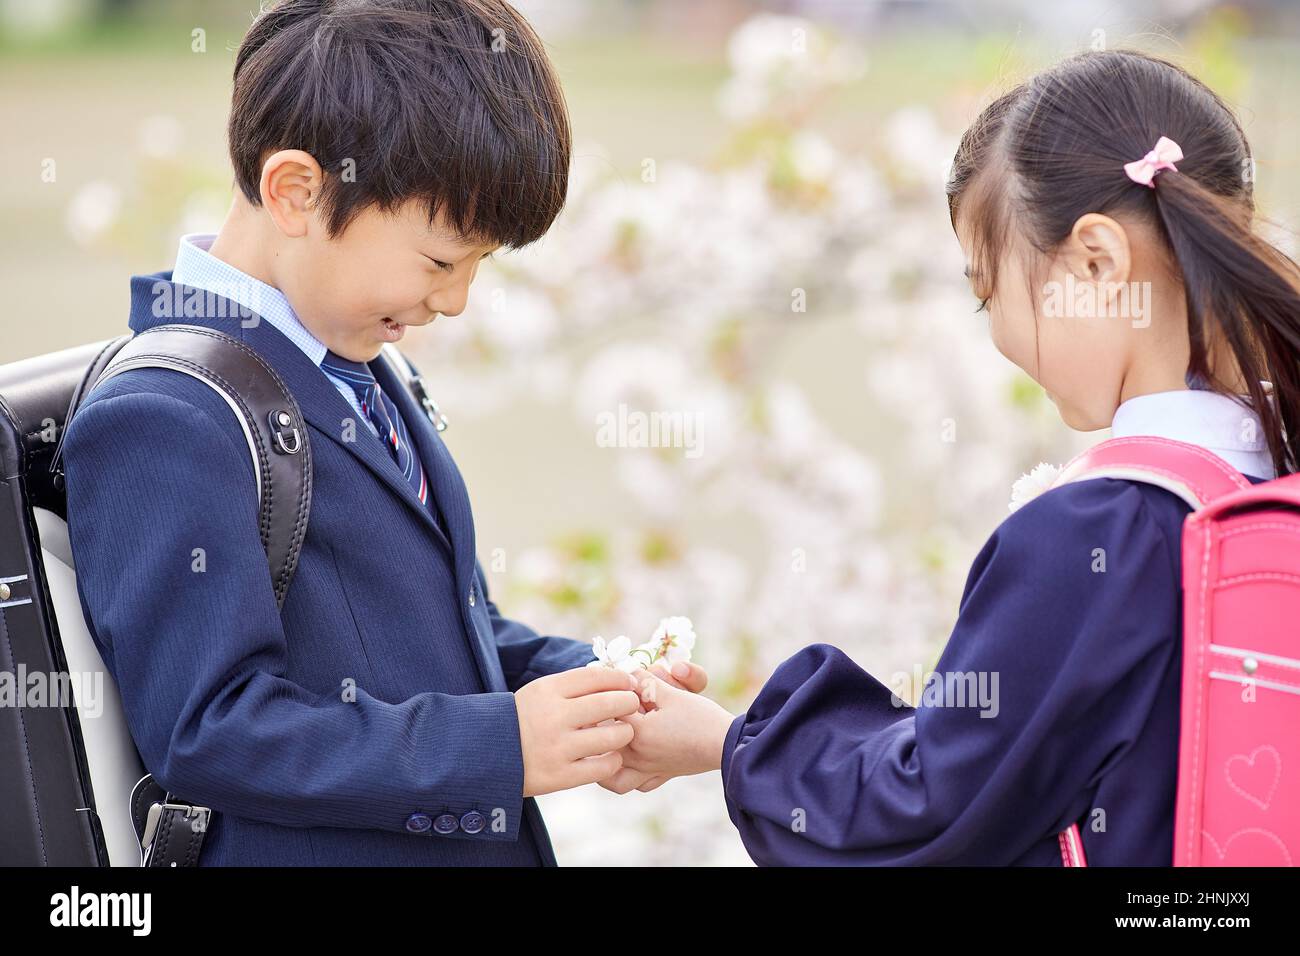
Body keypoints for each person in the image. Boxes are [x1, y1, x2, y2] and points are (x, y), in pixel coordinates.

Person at [605, 49, 1300, 865]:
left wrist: (729, 746)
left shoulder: (1097, 530)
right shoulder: (1266, 482)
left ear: (1097, 262)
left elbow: (930, 810)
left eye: (987, 290)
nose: (1000, 333)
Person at [61, 0, 705, 867]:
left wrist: (587, 687)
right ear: (297, 190)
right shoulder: (165, 416)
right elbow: (212, 730)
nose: (456, 300)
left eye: (480, 265)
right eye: (441, 261)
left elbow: (435, 638)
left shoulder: (352, 358)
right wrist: (499, 746)